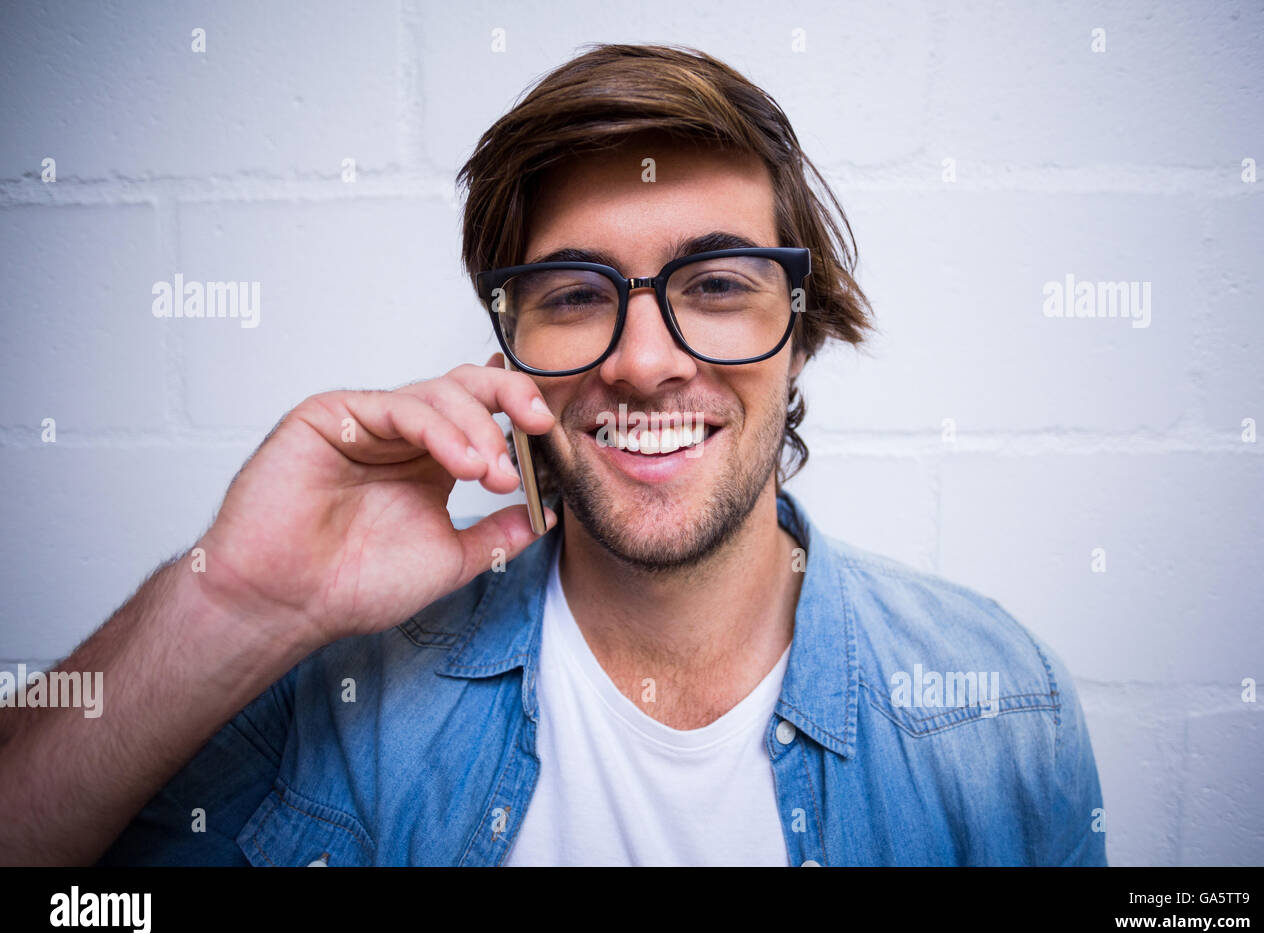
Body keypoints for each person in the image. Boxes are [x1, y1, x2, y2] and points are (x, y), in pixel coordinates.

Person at [0, 44, 1105, 866]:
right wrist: (234, 603)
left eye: (716, 285)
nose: (641, 360)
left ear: (802, 328)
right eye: (577, 295)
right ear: (510, 347)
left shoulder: (998, 707)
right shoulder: (341, 685)